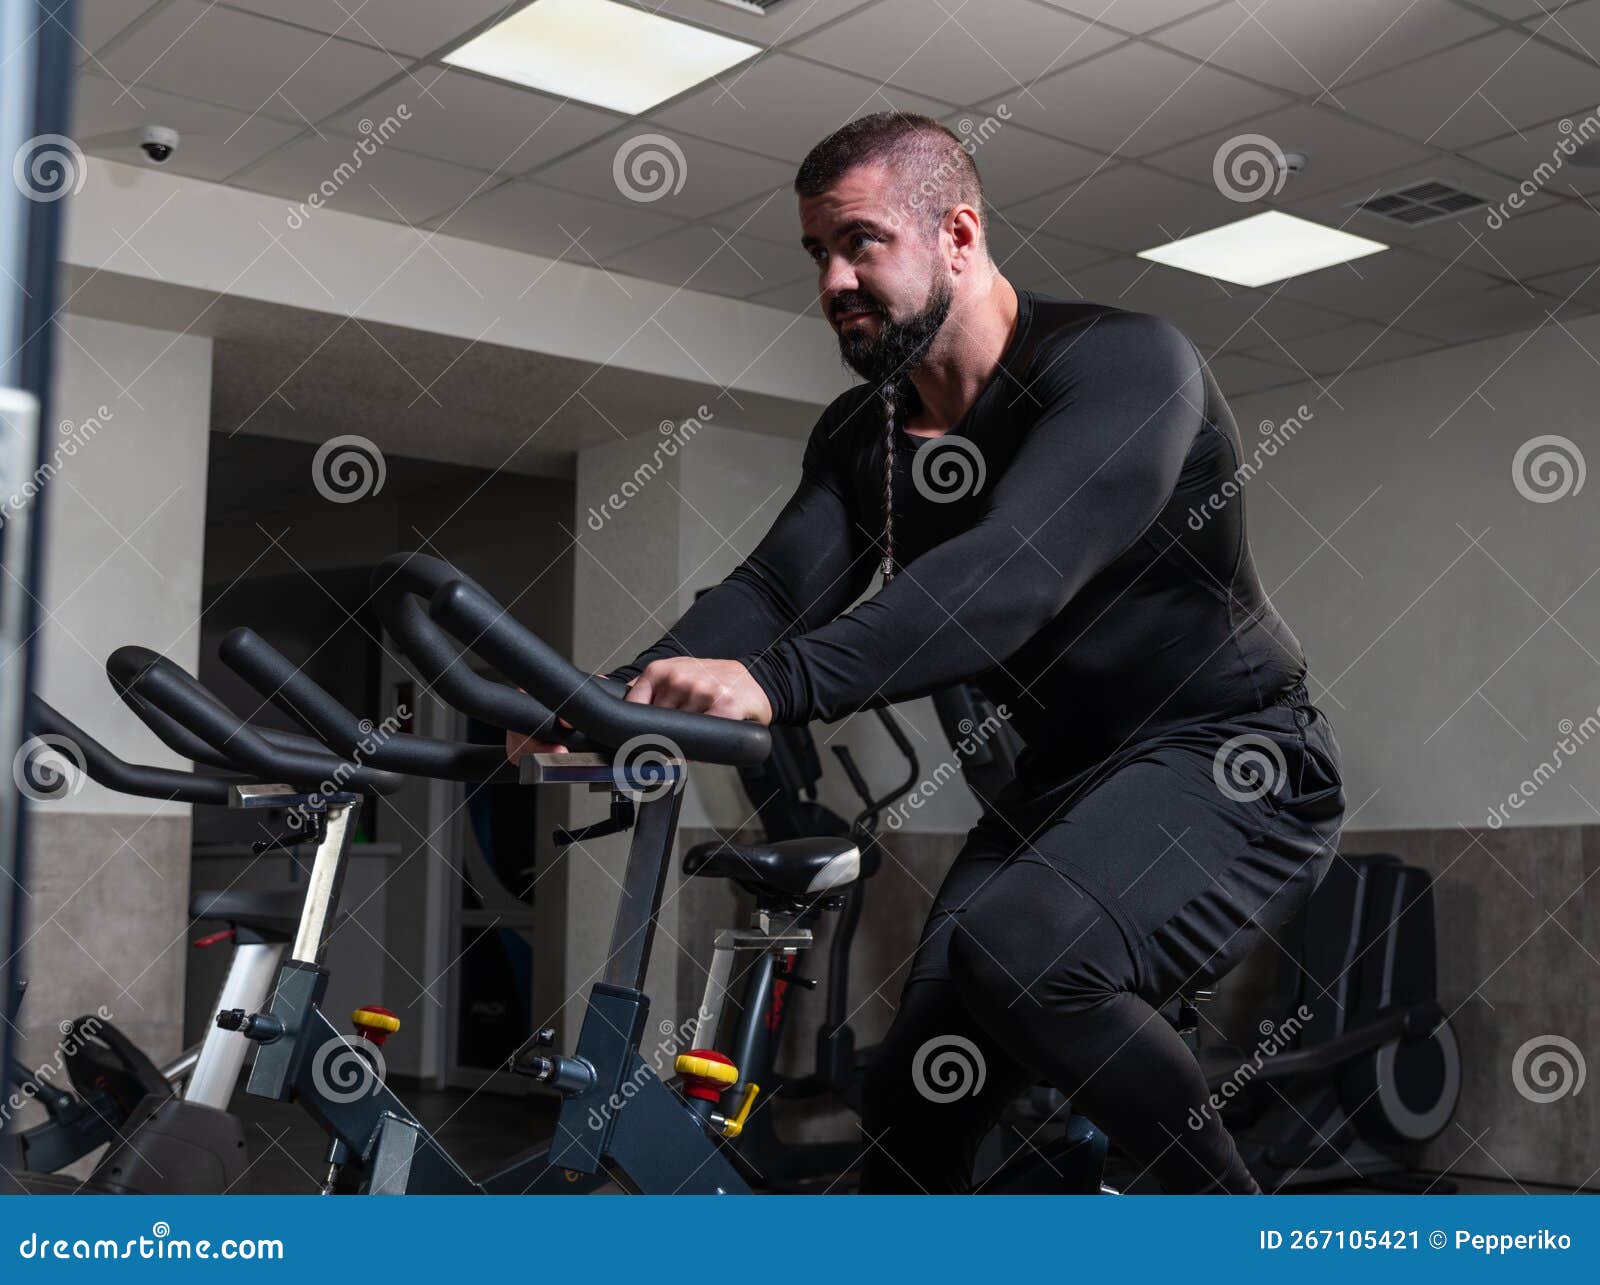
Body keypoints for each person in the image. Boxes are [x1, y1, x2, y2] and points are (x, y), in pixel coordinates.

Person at [506, 112, 1346, 1194]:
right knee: (914, 1100)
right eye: (818, 252)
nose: (833, 282)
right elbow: (774, 593)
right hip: (1060, 786)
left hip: (1234, 756)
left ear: (957, 234)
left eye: (861, 242)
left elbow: (1015, 574)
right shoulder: (866, 436)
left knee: (1026, 954)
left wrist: (777, 685)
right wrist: (603, 702)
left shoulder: (1124, 366)